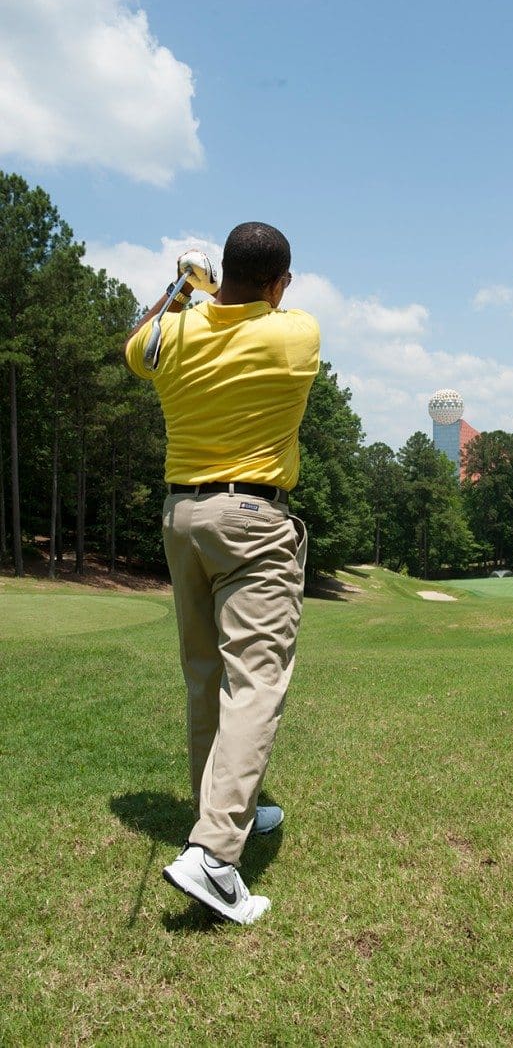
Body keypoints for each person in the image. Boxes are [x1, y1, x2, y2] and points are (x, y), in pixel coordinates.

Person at [124, 222, 320, 924]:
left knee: (206, 675)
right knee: (255, 682)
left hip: (184, 518)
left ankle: (222, 818)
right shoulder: (295, 333)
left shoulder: (174, 334)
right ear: (278, 282)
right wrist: (228, 293)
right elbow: (266, 311)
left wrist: (183, 286)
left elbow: (137, 344)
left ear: (221, 272)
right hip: (253, 520)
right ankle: (214, 857)